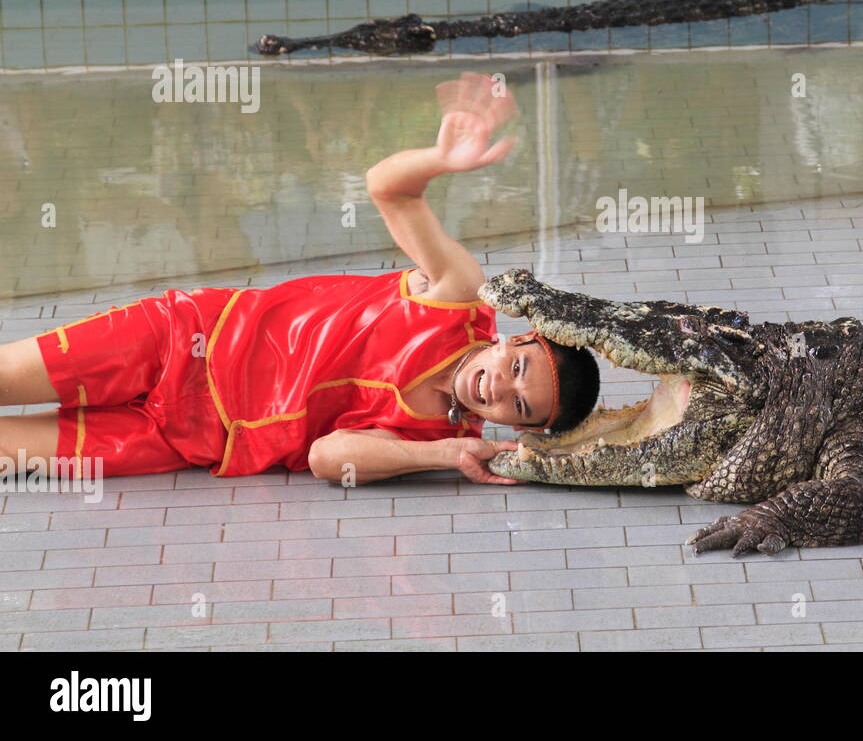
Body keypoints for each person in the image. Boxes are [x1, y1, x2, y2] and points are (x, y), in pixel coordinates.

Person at [0, 72, 600, 486]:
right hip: (179, 338)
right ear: (515, 340)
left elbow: (325, 457)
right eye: (517, 370)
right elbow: (388, 187)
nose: (499, 391)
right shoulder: (455, 297)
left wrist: (445, 453)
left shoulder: (438, 430)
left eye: (519, 408)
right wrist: (442, 162)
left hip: (190, 439)